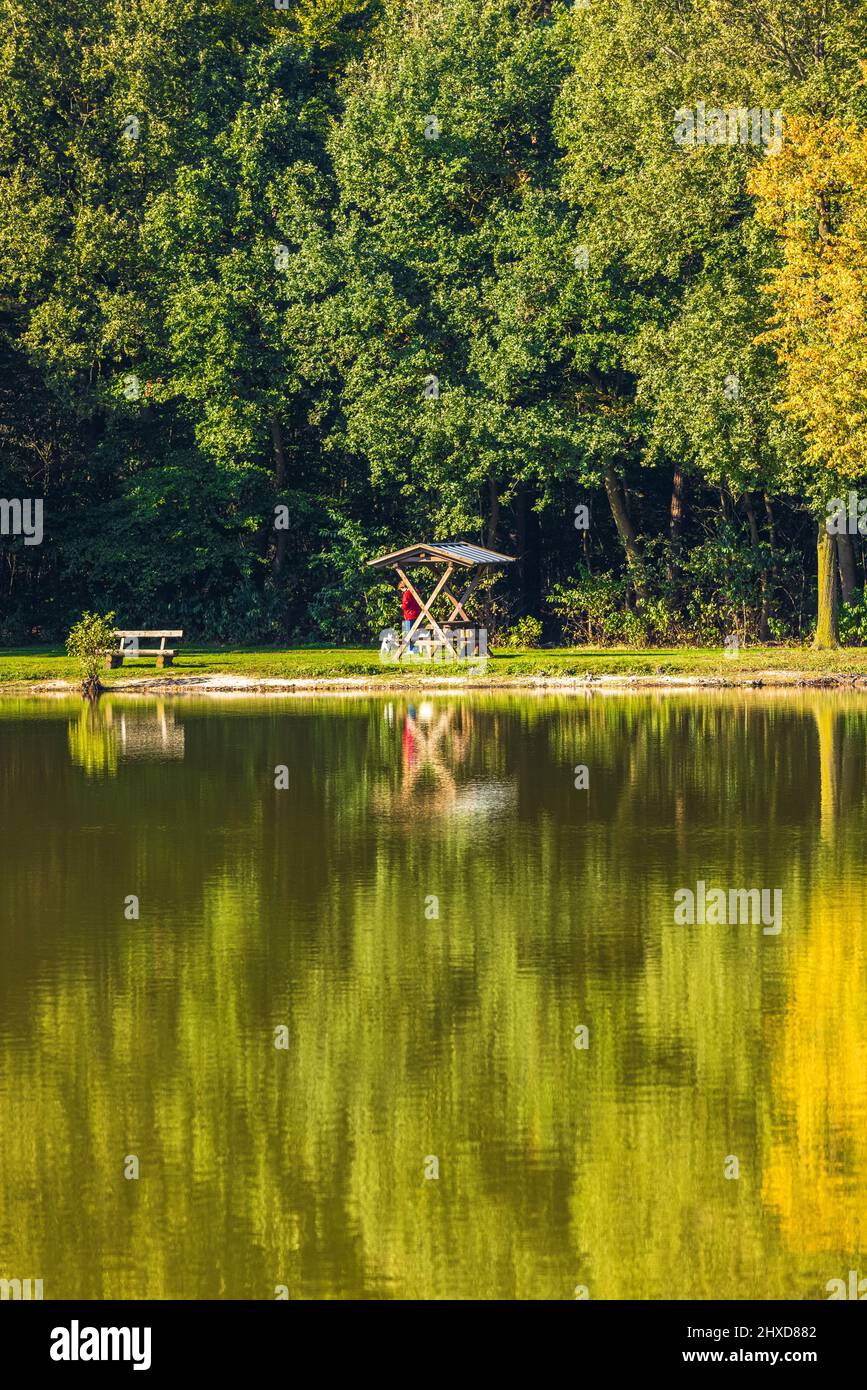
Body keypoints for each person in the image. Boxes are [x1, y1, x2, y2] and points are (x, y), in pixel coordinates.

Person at [400, 580, 422, 652]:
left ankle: (411, 649)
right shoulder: (415, 592)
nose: (401, 591)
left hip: (409, 615)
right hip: (417, 614)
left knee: (409, 633)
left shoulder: (406, 593)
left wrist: (401, 606)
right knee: (415, 632)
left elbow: (406, 605)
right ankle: (415, 648)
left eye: (401, 589)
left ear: (404, 587)